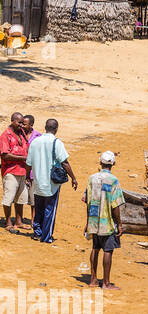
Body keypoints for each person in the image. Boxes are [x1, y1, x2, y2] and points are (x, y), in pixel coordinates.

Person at [26, 118, 77, 243]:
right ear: (56, 129)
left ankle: (37, 233)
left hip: (37, 182)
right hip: (51, 184)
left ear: (45, 127)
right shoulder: (56, 143)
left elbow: (28, 163)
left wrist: (27, 176)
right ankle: (46, 236)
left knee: (38, 209)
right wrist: (73, 178)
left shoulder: (35, 142)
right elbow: (64, 162)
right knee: (50, 209)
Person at [83, 151, 125, 289]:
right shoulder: (113, 181)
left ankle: (93, 279)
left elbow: (87, 200)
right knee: (108, 250)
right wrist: (119, 224)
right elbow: (115, 205)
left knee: (95, 248)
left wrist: (88, 221)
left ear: (100, 162)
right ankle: (106, 283)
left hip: (94, 220)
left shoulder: (92, 178)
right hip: (107, 222)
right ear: (113, 164)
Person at [1, 112, 30, 233]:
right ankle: (8, 221)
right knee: (9, 198)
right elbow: (5, 155)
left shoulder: (21, 133)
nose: (22, 125)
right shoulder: (5, 135)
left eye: (23, 123)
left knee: (20, 198)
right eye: (19, 123)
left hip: (22, 171)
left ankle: (19, 221)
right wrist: (24, 158)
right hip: (10, 171)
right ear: (12, 121)